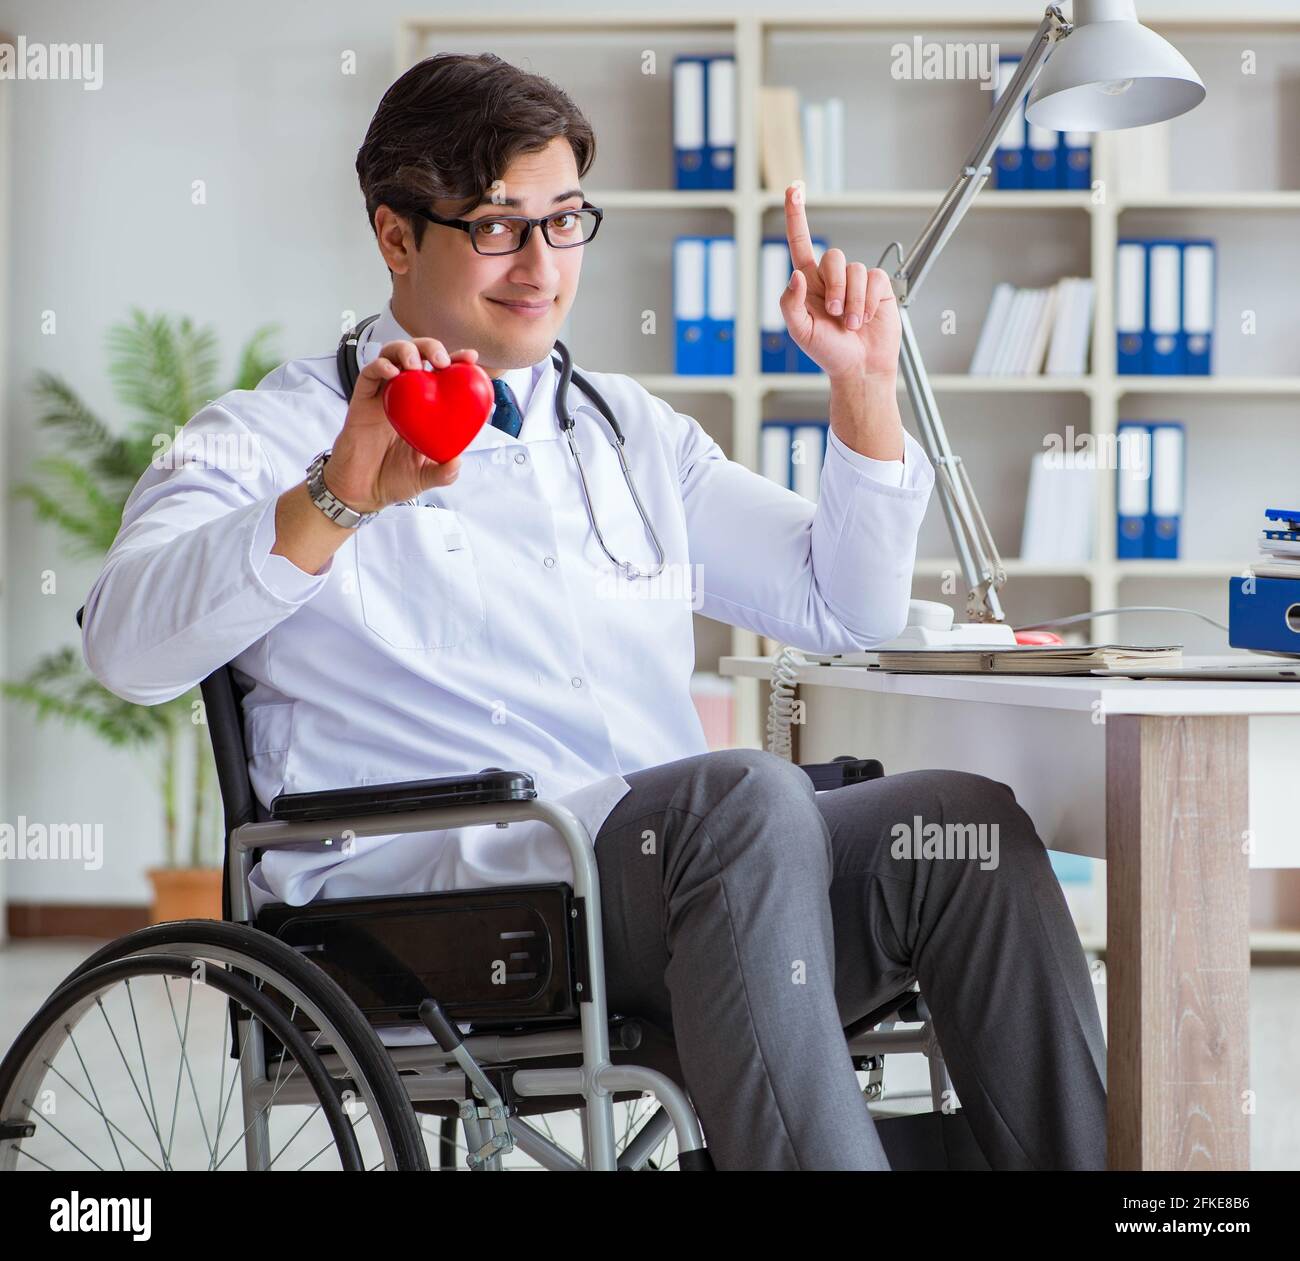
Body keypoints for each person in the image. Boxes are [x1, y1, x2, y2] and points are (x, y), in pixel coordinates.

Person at [81, 52, 1106, 1170]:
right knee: (746, 797)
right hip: (446, 908)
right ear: (394, 236)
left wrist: (862, 391)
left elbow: (839, 605)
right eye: (496, 226)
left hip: (687, 885)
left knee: (963, 831)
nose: (539, 266)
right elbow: (124, 646)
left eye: (564, 222)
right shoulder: (268, 434)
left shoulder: (628, 432)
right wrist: (332, 500)